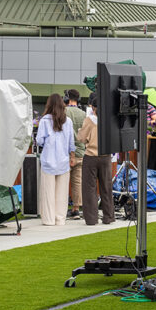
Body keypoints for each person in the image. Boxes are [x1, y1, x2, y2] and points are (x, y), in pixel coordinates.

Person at [35, 94, 76, 225]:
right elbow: (71, 142)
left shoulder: (44, 121)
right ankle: (60, 219)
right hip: (63, 161)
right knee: (62, 194)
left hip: (48, 160)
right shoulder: (68, 121)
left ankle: (49, 219)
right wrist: (72, 157)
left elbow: (39, 141)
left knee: (48, 193)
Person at [77, 96, 115, 225]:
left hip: (91, 156)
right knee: (106, 187)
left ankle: (92, 219)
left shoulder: (89, 120)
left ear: (92, 107)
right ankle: (108, 216)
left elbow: (81, 138)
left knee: (89, 189)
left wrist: (80, 132)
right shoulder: (109, 120)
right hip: (106, 157)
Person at [64, 89, 87, 219]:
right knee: (77, 182)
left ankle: (62, 207)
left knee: (63, 181)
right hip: (81, 151)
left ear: (67, 98)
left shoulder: (64, 112)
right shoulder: (83, 114)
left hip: (67, 152)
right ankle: (76, 208)